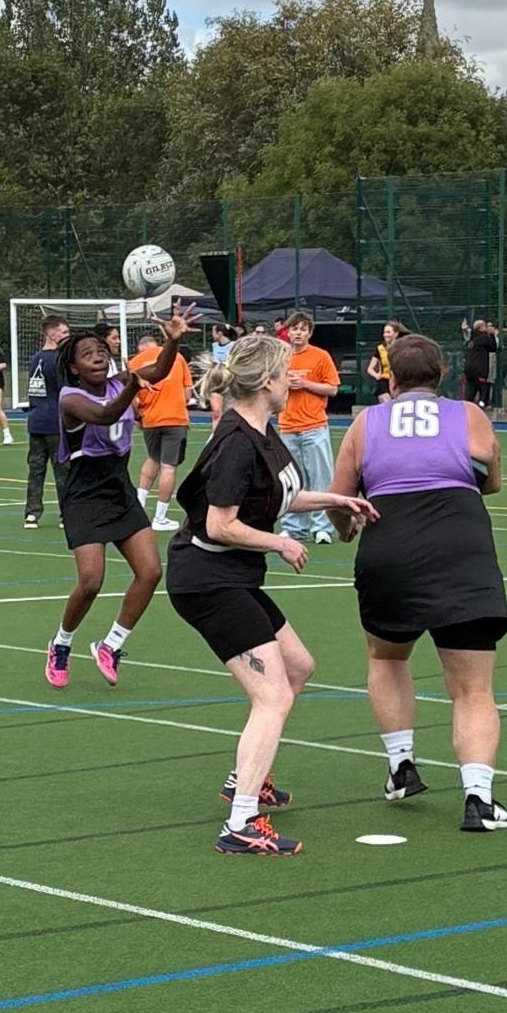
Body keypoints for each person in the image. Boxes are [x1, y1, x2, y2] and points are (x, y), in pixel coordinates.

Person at [165, 335, 377, 855]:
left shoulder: (262, 432)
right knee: (273, 694)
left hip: (231, 575)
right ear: (265, 383)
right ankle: (240, 822)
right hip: (206, 578)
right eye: (286, 375)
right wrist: (280, 542)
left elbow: (281, 495)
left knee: (298, 666)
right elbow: (220, 524)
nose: (292, 381)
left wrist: (337, 497)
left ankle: (246, 778)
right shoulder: (237, 441)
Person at [329, 333, 507, 832]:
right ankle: (478, 798)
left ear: (390, 378)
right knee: (473, 688)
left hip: (391, 542)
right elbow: (490, 477)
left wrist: (347, 531)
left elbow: (340, 499)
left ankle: (401, 765)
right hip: (460, 541)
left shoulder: (366, 422)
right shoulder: (467, 414)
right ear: (442, 377)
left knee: (387, 657)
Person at [44, 310, 195, 690]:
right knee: (92, 580)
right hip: (83, 494)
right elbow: (104, 414)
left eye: (100, 350)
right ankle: (61, 643)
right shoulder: (70, 397)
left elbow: (159, 369)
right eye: (87, 353)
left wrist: (173, 338)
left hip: (118, 488)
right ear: (74, 367)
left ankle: (111, 645)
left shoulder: (122, 380)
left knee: (151, 571)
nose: (97, 356)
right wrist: (135, 386)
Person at [280, 311, 340, 547]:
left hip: (314, 426)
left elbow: (333, 389)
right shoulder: (280, 356)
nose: (298, 333)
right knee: (293, 480)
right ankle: (294, 527)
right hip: (287, 425)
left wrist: (305, 384)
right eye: (294, 329)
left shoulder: (320, 356)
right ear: (288, 331)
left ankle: (322, 527)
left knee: (321, 479)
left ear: (309, 333)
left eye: (303, 329)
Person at [131, 330, 193, 532]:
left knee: (152, 459)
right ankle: (160, 516)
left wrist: (138, 416)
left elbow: (133, 398)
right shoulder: (177, 357)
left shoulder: (134, 363)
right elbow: (187, 393)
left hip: (150, 418)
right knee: (168, 467)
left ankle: (138, 507)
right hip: (174, 418)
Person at [22, 315, 70, 529]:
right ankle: (66, 513)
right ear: (52, 334)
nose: (67, 337)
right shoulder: (58, 359)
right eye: (64, 333)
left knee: (36, 470)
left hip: (36, 420)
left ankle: (32, 513)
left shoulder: (35, 358)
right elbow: (65, 391)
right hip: (54, 422)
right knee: (62, 471)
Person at [365, 321, 407, 402]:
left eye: (388, 332)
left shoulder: (402, 348)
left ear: (396, 334)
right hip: (384, 380)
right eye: (384, 332)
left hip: (398, 381)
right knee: (387, 404)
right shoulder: (380, 348)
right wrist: (377, 376)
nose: (385, 335)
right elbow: (370, 369)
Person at [460, 319, 496, 409]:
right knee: (483, 389)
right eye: (485, 326)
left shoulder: (472, 340)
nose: (487, 328)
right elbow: (493, 347)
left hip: (469, 369)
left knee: (471, 389)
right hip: (479, 369)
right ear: (481, 328)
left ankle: (467, 407)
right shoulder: (484, 338)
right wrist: (492, 335)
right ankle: (482, 406)